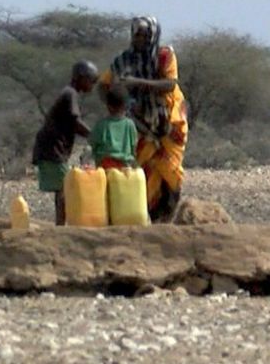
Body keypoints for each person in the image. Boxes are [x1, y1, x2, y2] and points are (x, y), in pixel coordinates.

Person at [99, 16, 188, 222]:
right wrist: (117, 102)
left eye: (145, 35)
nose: (140, 39)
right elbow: (104, 85)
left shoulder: (164, 56)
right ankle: (146, 215)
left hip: (169, 121)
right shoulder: (123, 60)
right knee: (141, 166)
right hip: (140, 123)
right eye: (137, 34)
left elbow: (170, 83)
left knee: (170, 168)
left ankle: (169, 215)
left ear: (153, 35)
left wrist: (136, 82)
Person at [31, 60, 97, 225]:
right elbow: (75, 122)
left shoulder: (69, 93)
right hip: (52, 148)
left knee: (63, 188)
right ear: (81, 78)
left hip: (52, 148)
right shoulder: (70, 94)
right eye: (91, 80)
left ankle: (60, 225)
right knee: (66, 188)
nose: (92, 85)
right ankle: (60, 228)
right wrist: (96, 136)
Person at [90, 83, 137, 170]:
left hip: (106, 168)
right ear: (125, 106)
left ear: (108, 106)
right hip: (125, 168)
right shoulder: (130, 125)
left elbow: (92, 145)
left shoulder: (101, 125)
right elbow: (133, 148)